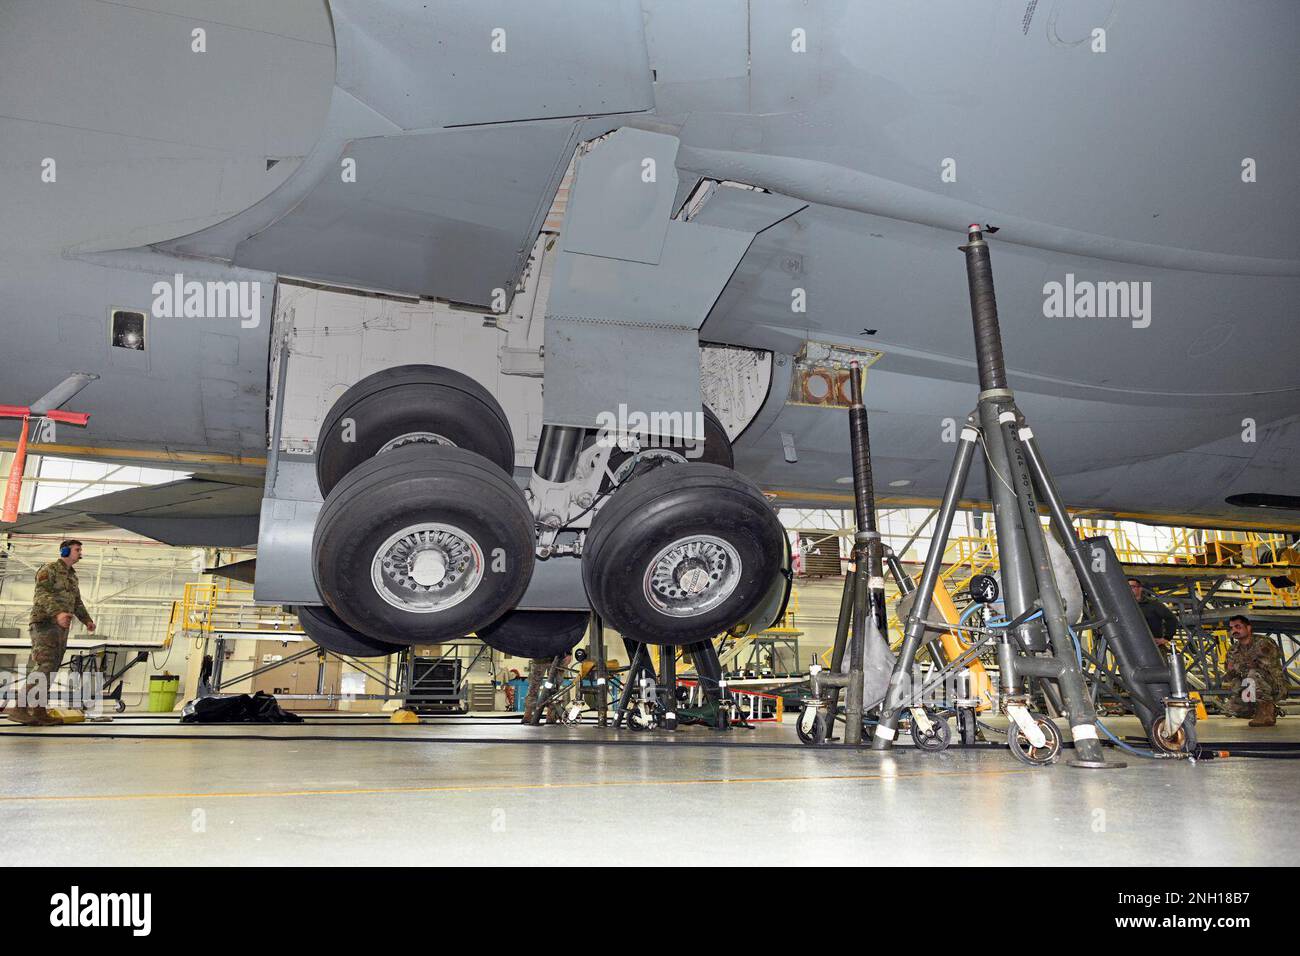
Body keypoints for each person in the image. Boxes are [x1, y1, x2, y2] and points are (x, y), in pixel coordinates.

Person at [7, 539, 96, 726]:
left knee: (52, 669)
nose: (80, 553)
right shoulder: (49, 570)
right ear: (64, 551)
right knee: (44, 665)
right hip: (44, 624)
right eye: (77, 550)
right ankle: (19, 709)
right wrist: (58, 613)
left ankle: (39, 711)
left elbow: (77, 602)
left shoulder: (72, 576)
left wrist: (86, 620)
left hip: (61, 629)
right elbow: (41, 596)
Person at [1221, 614, 1285, 727]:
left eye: (1238, 626)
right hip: (1250, 686)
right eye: (1231, 628)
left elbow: (1263, 665)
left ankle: (1265, 712)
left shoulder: (1264, 643)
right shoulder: (1233, 650)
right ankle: (1268, 710)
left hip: (1273, 686)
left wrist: (1237, 666)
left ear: (1248, 628)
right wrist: (1236, 669)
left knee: (1253, 674)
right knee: (1234, 708)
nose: (1234, 630)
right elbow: (1229, 674)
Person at [1128, 578, 1179, 647]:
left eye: (1132, 587)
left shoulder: (1153, 604)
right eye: (1127, 587)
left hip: (1154, 647)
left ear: (1140, 588)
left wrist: (1166, 638)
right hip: (1131, 647)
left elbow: (1171, 619)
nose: (1129, 589)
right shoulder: (1124, 606)